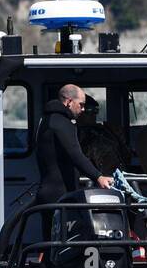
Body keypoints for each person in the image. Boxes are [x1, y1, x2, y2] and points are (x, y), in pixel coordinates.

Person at [33, 84, 113, 240]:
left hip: (48, 192)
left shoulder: (46, 119)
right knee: (66, 243)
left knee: (50, 244)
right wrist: (98, 177)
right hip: (59, 194)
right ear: (69, 102)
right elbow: (75, 154)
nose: (83, 109)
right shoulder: (62, 122)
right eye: (81, 105)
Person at [78, 95, 129, 176]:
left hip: (118, 176)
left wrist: (119, 137)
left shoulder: (107, 131)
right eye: (89, 110)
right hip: (93, 179)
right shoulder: (72, 133)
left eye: (95, 111)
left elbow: (125, 155)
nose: (93, 115)